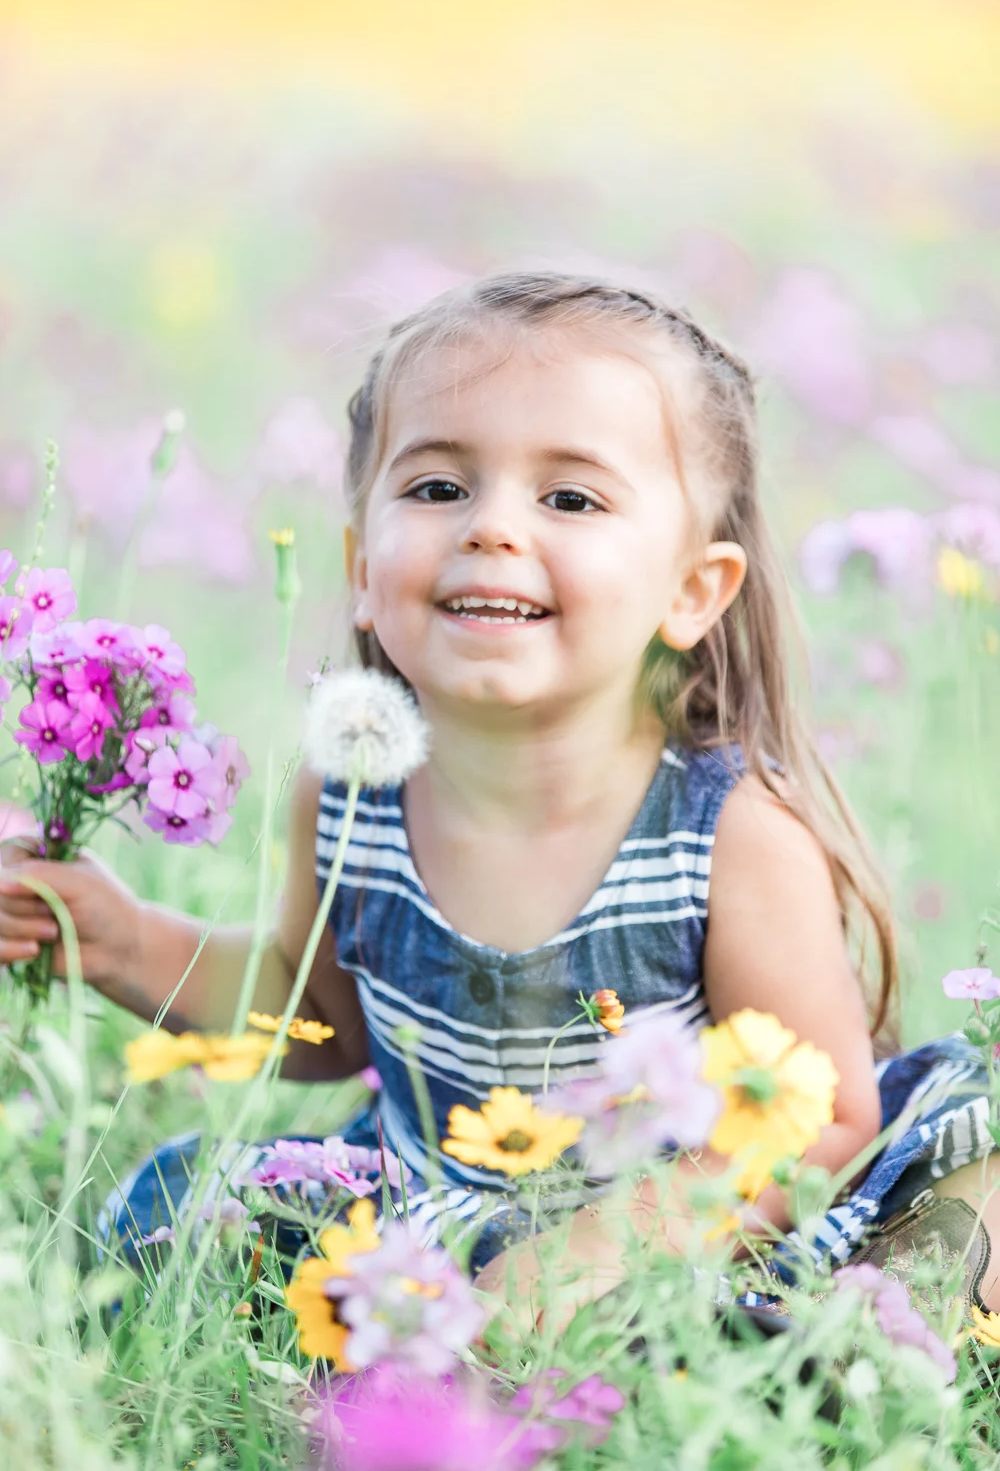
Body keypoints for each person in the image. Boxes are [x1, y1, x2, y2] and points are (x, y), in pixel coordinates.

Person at [1, 272, 997, 1321]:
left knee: (958, 1187)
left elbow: (820, 1120)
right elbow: (316, 1014)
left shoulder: (727, 836)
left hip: (693, 1230)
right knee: (182, 1213)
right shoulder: (351, 793)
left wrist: (599, 1253)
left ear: (690, 590)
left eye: (569, 499)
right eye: (438, 488)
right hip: (433, 1220)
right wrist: (122, 940)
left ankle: (833, 1344)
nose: (491, 527)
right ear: (360, 568)